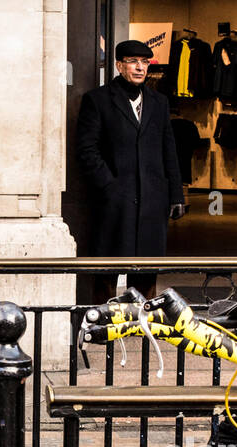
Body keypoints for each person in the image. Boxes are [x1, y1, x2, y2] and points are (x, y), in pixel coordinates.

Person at [75, 40, 186, 305]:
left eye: (145, 62)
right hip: (114, 199)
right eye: (133, 62)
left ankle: (141, 320)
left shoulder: (159, 102)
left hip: (152, 198)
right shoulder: (98, 100)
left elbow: (168, 149)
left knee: (147, 267)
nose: (140, 67)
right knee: (107, 267)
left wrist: (175, 195)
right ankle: (102, 321)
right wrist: (109, 186)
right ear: (119, 65)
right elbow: (87, 149)